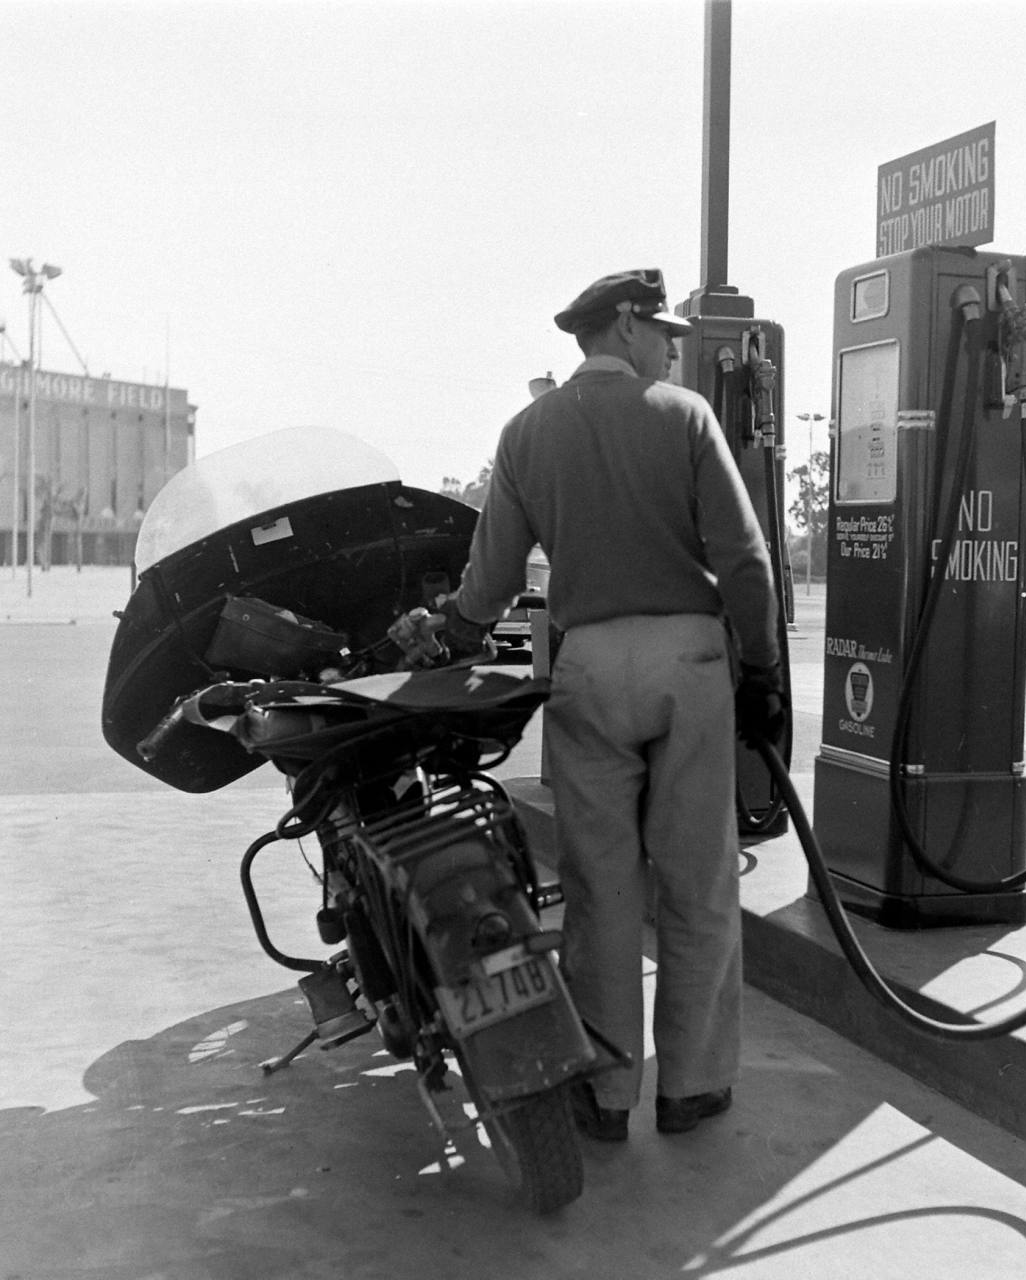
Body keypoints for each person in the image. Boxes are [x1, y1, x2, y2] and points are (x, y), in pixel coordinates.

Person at [436, 268, 785, 1142]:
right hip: (689, 661)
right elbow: (743, 560)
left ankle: (605, 1090)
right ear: (626, 326)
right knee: (699, 883)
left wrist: (451, 629)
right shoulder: (683, 415)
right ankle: (693, 1085)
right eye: (663, 331)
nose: (671, 346)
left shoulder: (525, 433)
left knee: (598, 886)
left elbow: (491, 583)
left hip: (587, 662)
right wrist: (766, 672)